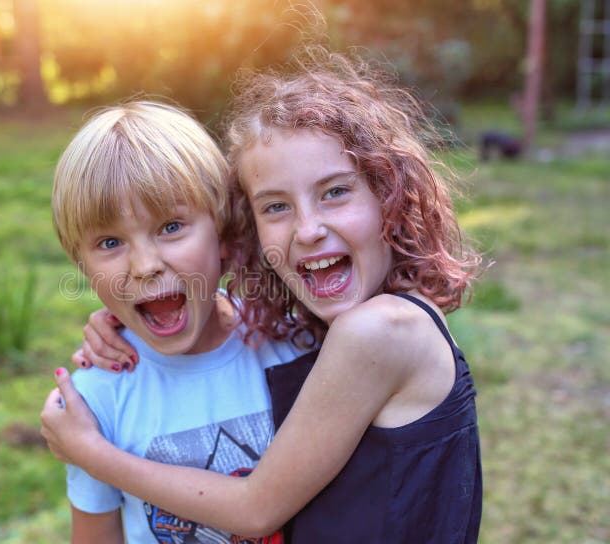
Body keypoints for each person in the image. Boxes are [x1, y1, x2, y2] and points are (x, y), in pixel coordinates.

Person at [41, 49, 483, 543]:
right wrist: (117, 317)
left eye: (335, 192)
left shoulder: (337, 340)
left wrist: (92, 453)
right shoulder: (103, 395)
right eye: (276, 206)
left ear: (230, 239)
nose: (144, 266)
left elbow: (257, 510)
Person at [47, 100, 307, 543]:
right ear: (84, 267)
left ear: (225, 235)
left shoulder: (294, 344)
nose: (145, 265)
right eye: (110, 242)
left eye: (170, 227)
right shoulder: (95, 401)